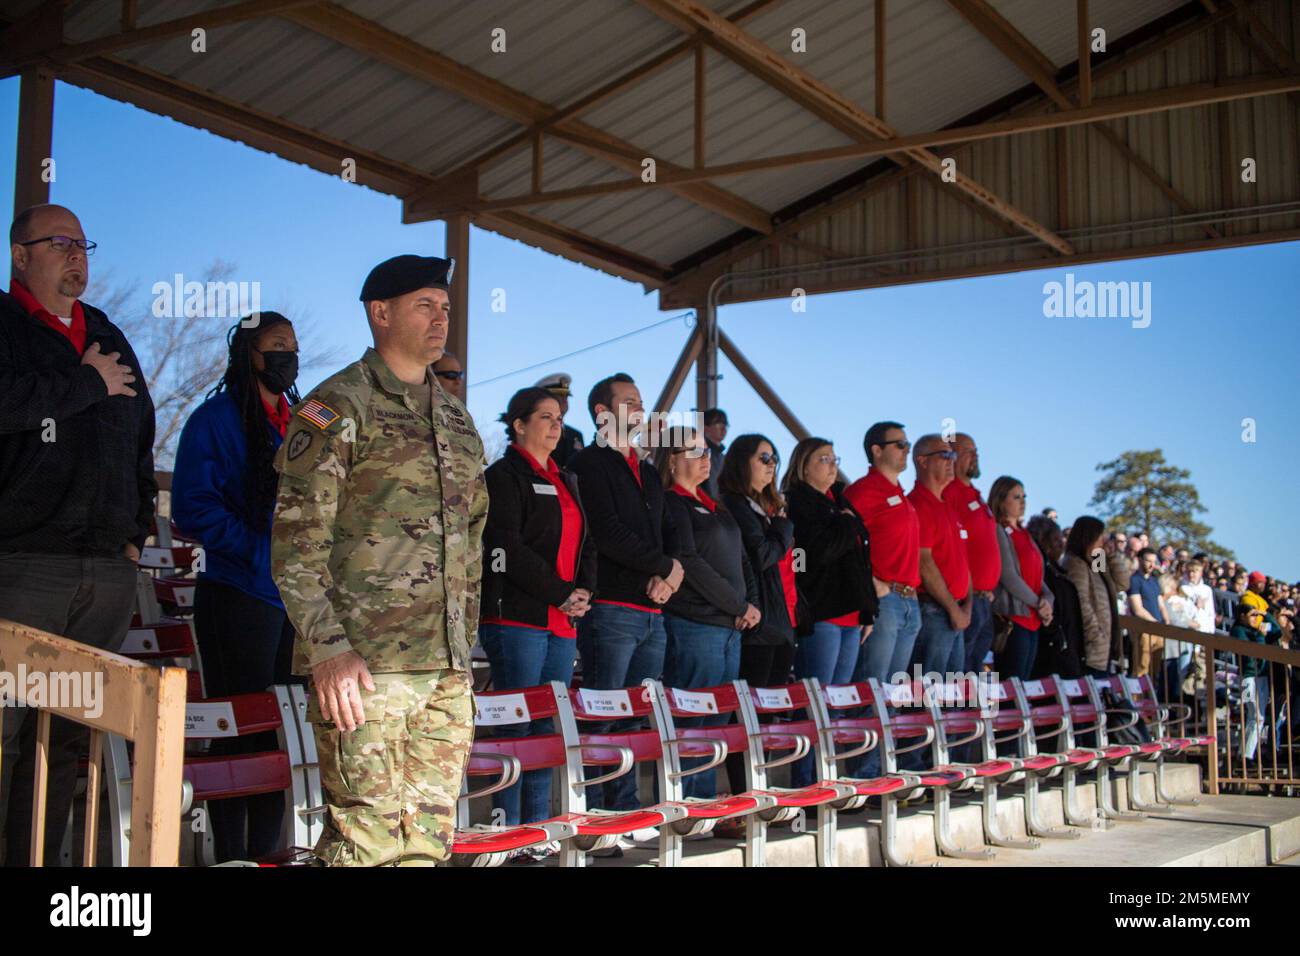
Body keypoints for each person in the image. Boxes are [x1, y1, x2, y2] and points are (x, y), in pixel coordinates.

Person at [271, 254, 488, 867]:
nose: (441, 318)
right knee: (365, 843)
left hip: (443, 670)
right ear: (381, 312)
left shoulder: (456, 420)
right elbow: (296, 546)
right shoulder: (337, 406)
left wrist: (463, 645)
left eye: (445, 307)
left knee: (426, 845)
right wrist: (329, 651)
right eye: (425, 305)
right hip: (365, 669)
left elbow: (471, 541)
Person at [0, 204, 156, 866]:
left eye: (82, 244)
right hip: (20, 566)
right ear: (18, 255)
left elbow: (142, 439)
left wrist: (136, 532)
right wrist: (84, 383)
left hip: (103, 574)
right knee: (4, 735)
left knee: (66, 739)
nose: (75, 255)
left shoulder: (109, 332)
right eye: (58, 242)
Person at [172, 311, 302, 863]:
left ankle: (268, 852)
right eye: (276, 345)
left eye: (294, 346)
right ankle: (230, 854)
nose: (288, 356)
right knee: (238, 725)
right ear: (248, 351)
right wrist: (261, 551)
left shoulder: (306, 419)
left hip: (293, 600)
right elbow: (192, 507)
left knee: (280, 730)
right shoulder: (215, 418)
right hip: (237, 591)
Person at [479, 387, 596, 859]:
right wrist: (560, 592)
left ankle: (540, 832)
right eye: (545, 417)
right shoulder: (503, 476)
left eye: (559, 418)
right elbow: (505, 549)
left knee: (546, 727)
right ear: (519, 424)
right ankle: (507, 833)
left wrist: (585, 591)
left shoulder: (567, 477)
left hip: (563, 621)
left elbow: (587, 541)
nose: (555, 425)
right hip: (519, 617)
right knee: (515, 726)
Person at [569, 373, 682, 814]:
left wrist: (671, 575)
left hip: (653, 611)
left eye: (640, 400)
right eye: (629, 401)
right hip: (611, 608)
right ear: (602, 413)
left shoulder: (649, 470)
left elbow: (669, 532)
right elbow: (607, 533)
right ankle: (596, 810)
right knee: (604, 711)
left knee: (636, 716)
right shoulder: (588, 464)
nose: (640, 407)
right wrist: (663, 566)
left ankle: (627, 807)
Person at [657, 426, 758, 799]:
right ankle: (688, 803)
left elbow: (743, 559)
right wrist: (737, 605)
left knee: (716, 722)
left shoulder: (716, 505)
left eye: (707, 452)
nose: (706, 458)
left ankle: (707, 804)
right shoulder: (673, 503)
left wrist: (751, 605)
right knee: (692, 720)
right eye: (694, 452)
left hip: (730, 627)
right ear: (671, 459)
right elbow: (688, 562)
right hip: (696, 623)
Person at [782, 436, 877, 784]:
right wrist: (847, 523)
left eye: (835, 458)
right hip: (822, 615)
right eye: (824, 458)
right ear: (804, 465)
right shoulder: (799, 503)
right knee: (814, 703)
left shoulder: (840, 501)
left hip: (852, 616)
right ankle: (806, 784)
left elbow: (860, 559)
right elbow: (816, 554)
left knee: (836, 705)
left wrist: (868, 610)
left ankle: (830, 779)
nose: (833, 464)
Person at [718, 434, 801, 804]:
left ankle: (761, 792)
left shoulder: (764, 509)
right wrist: (783, 528)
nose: (771, 464)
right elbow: (763, 555)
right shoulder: (735, 504)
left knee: (767, 718)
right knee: (747, 718)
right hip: (756, 627)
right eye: (763, 457)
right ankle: (744, 794)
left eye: (774, 458)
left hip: (780, 625)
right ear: (741, 462)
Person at [843, 422, 919, 694]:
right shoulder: (863, 491)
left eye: (907, 445)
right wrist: (871, 583)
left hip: (909, 601)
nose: (906, 450)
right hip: (883, 602)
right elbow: (843, 542)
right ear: (877, 450)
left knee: (892, 695)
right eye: (899, 445)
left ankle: (886, 738)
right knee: (871, 691)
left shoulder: (900, 493)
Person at [906, 435, 972, 682]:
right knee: (927, 696)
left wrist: (967, 605)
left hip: (955, 610)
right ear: (922, 461)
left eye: (953, 456)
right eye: (944, 455)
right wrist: (955, 609)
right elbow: (924, 562)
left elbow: (964, 563)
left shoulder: (947, 505)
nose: (951, 461)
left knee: (952, 699)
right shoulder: (917, 504)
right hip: (934, 610)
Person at [944, 433, 1000, 673]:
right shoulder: (950, 493)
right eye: (968, 451)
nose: (975, 456)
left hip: (984, 599)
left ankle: (969, 711)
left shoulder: (976, 494)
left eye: (976, 451)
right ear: (952, 456)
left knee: (974, 667)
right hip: (965, 599)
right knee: (959, 670)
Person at [990, 476, 1053, 680]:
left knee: (1023, 684)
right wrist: (1037, 603)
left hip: (1033, 618)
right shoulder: (999, 530)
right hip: (1014, 619)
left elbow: (1037, 576)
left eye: (1024, 496)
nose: (1023, 501)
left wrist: (1047, 601)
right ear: (1001, 500)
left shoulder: (1025, 534)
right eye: (1016, 497)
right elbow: (1009, 576)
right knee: (1012, 683)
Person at [1026, 515, 1083, 679]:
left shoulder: (1093, 563)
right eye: (1056, 540)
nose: (1061, 544)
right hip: (1054, 645)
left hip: (1074, 642)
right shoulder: (1076, 564)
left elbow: (1116, 582)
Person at [1062, 516, 1115, 676]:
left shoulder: (1094, 564)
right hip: (1091, 645)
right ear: (1088, 538)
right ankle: (986, 700)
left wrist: (1111, 555)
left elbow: (1120, 584)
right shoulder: (1076, 564)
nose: (1102, 541)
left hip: (1103, 645)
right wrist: (1095, 634)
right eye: (1099, 537)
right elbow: (1081, 601)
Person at [1230, 603, 1273, 763]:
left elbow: (1275, 630)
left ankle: (1246, 753)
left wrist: (1265, 614)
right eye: (1252, 615)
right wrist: (1261, 636)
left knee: (1257, 718)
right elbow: (1253, 654)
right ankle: (1246, 756)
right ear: (1242, 616)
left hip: (1261, 677)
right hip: (1249, 676)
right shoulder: (1238, 631)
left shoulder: (1255, 630)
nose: (1256, 618)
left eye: (1257, 615)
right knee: (1255, 717)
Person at [1127, 548, 1168, 679]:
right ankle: (1136, 698)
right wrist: (1156, 623)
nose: (1152, 565)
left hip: (1158, 630)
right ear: (1139, 560)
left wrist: (1166, 621)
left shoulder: (1154, 580)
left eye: (1154, 561)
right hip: (1143, 630)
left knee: (1155, 670)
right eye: (1148, 561)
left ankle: (1151, 697)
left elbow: (1161, 604)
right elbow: (1137, 609)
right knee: (1141, 667)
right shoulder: (1134, 580)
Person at [535, 372, 585, 468]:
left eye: (566, 395)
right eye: (558, 395)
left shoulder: (576, 435)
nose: (564, 399)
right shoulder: (535, 431)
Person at [701, 408, 728, 500]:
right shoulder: (697, 453)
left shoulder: (724, 458)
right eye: (718, 423)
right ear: (705, 427)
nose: (724, 428)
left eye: (726, 424)